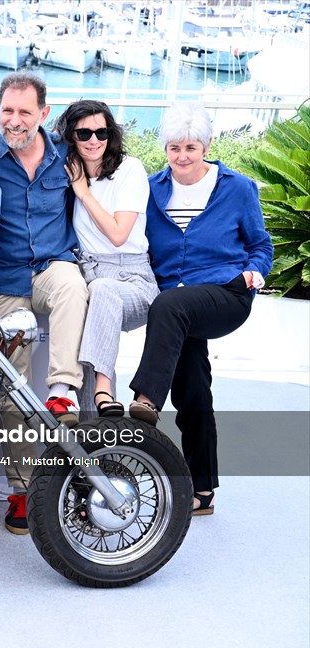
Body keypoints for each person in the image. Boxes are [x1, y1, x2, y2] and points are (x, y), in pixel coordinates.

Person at [130, 102, 272, 515]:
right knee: (192, 386)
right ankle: (203, 489)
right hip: (177, 305)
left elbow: (261, 245)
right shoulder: (153, 190)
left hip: (225, 293)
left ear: (207, 145)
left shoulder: (237, 187)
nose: (183, 156)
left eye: (191, 147)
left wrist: (254, 273)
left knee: (169, 305)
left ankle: (145, 400)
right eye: (174, 148)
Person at [0, 72, 89, 534]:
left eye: (25, 111)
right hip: (3, 281)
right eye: (8, 110)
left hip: (49, 267)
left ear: (44, 113)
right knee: (10, 386)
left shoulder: (67, 153)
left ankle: (63, 389)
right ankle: (22, 491)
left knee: (72, 286)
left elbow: (113, 171)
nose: (15, 120)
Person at [52, 100, 160, 417]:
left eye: (101, 131)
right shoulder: (67, 172)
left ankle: (105, 386)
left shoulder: (130, 169)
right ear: (70, 136)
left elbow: (117, 234)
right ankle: (91, 449)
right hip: (87, 272)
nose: (94, 140)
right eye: (84, 133)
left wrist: (83, 192)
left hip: (133, 279)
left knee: (102, 292)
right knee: (86, 338)